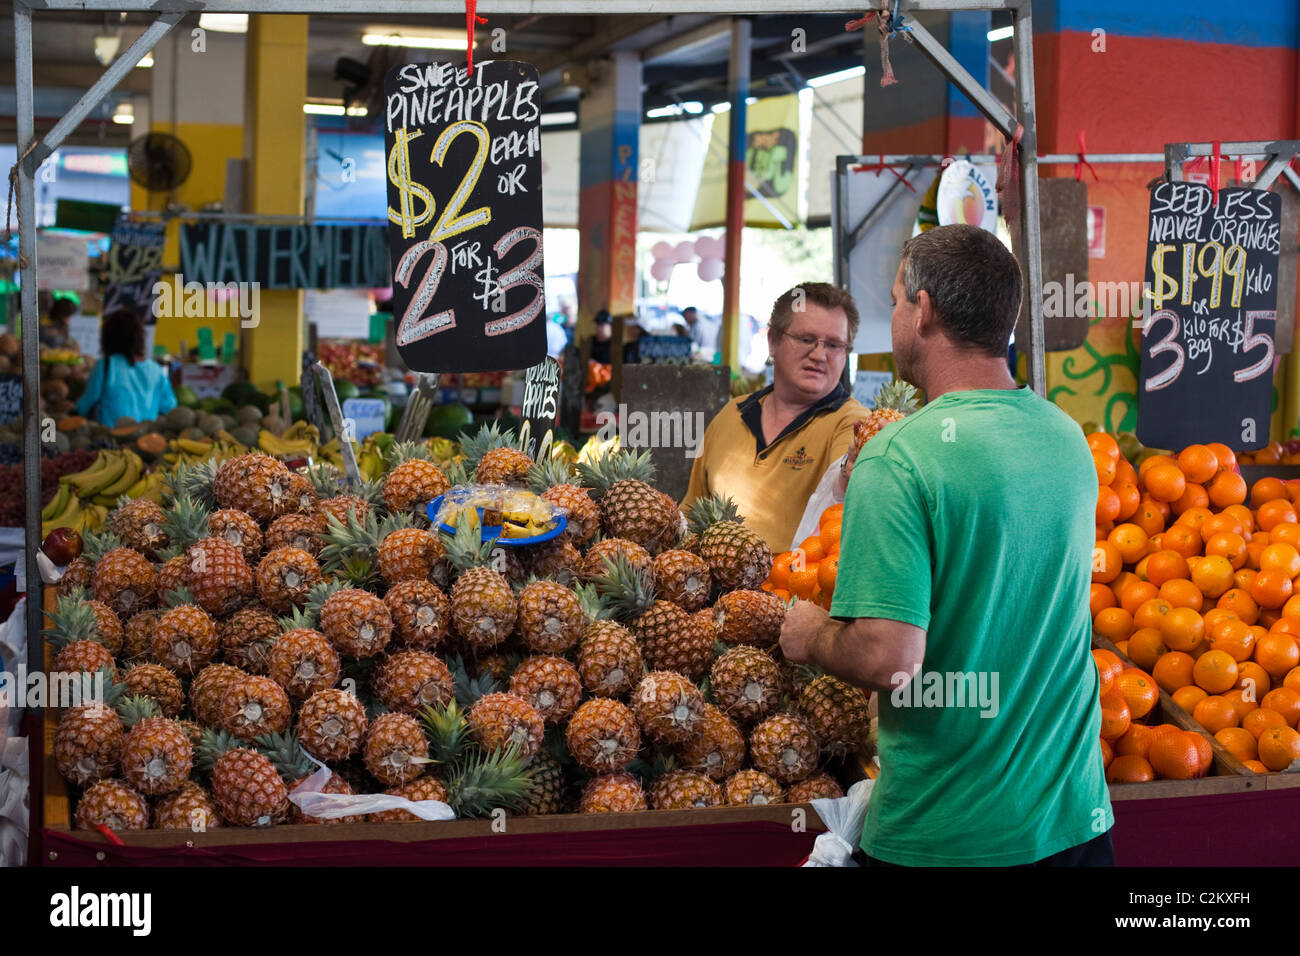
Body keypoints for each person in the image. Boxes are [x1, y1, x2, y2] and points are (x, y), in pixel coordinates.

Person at [780, 224, 1113, 867]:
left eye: (900, 300)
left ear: (925, 310)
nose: (899, 314)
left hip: (947, 838)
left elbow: (889, 660)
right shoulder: (1067, 438)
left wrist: (812, 634)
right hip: (1075, 825)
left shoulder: (897, 459)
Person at [682, 283, 869, 553]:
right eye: (806, 339)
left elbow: (844, 485)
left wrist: (848, 471)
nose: (819, 355)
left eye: (834, 344)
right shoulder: (731, 414)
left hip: (798, 590)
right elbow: (692, 511)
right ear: (773, 342)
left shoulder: (852, 422)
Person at [76, 309, 177, 425]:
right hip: (146, 438)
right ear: (140, 337)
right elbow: (169, 406)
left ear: (108, 338)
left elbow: (85, 405)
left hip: (111, 438)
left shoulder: (105, 366)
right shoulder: (156, 369)